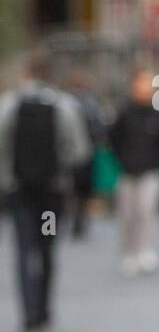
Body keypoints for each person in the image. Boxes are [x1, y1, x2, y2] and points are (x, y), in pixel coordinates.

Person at [0, 51, 92, 332]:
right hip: (51, 195)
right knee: (47, 248)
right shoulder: (64, 105)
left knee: (24, 248)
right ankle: (44, 308)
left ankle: (28, 310)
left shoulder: (9, 106)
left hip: (20, 193)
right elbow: (78, 151)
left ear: (26, 74)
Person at [109, 68, 159, 275]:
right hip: (127, 172)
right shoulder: (124, 112)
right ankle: (129, 252)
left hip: (149, 171)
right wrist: (122, 160)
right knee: (128, 214)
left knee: (147, 211)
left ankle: (145, 250)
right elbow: (114, 139)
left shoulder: (157, 114)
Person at [66, 68, 107, 239]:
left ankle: (70, 221)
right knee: (83, 190)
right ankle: (79, 221)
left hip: (68, 155)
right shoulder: (90, 104)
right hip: (86, 153)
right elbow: (99, 129)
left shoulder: (65, 103)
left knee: (71, 189)